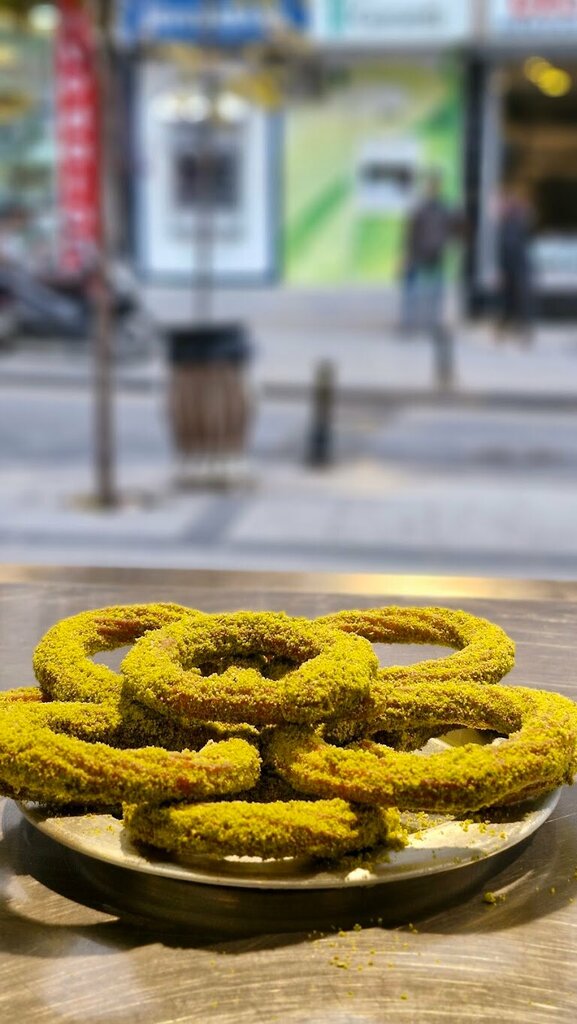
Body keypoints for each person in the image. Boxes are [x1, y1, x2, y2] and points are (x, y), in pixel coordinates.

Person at [400, 171, 457, 335]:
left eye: (433, 186)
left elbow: (451, 231)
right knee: (414, 291)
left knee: (434, 291)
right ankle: (410, 323)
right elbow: (411, 233)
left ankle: (430, 323)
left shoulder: (444, 208)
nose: (431, 189)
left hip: (435, 254)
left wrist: (447, 246)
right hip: (420, 253)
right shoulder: (422, 208)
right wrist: (406, 254)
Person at [495, 183, 535, 346]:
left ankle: (520, 330)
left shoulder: (514, 222)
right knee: (510, 300)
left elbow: (510, 246)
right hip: (514, 267)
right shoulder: (510, 222)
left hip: (518, 267)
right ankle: (509, 329)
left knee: (518, 300)